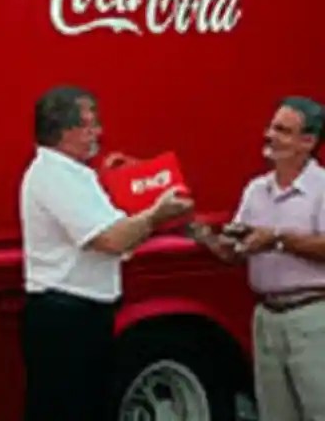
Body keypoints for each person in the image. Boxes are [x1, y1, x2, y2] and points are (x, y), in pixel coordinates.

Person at [20, 85, 194, 421]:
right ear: (66, 130)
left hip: (79, 315)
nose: (98, 132)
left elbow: (115, 227)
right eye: (90, 124)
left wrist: (127, 182)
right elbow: (111, 239)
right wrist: (158, 213)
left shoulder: (74, 174)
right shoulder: (56, 175)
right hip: (66, 318)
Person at [191, 96, 325, 421]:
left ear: (308, 141)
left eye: (282, 130)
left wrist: (276, 237)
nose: (270, 136)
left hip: (311, 317)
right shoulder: (256, 190)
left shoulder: (322, 188)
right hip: (265, 318)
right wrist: (207, 237)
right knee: (274, 414)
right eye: (271, 127)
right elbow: (238, 252)